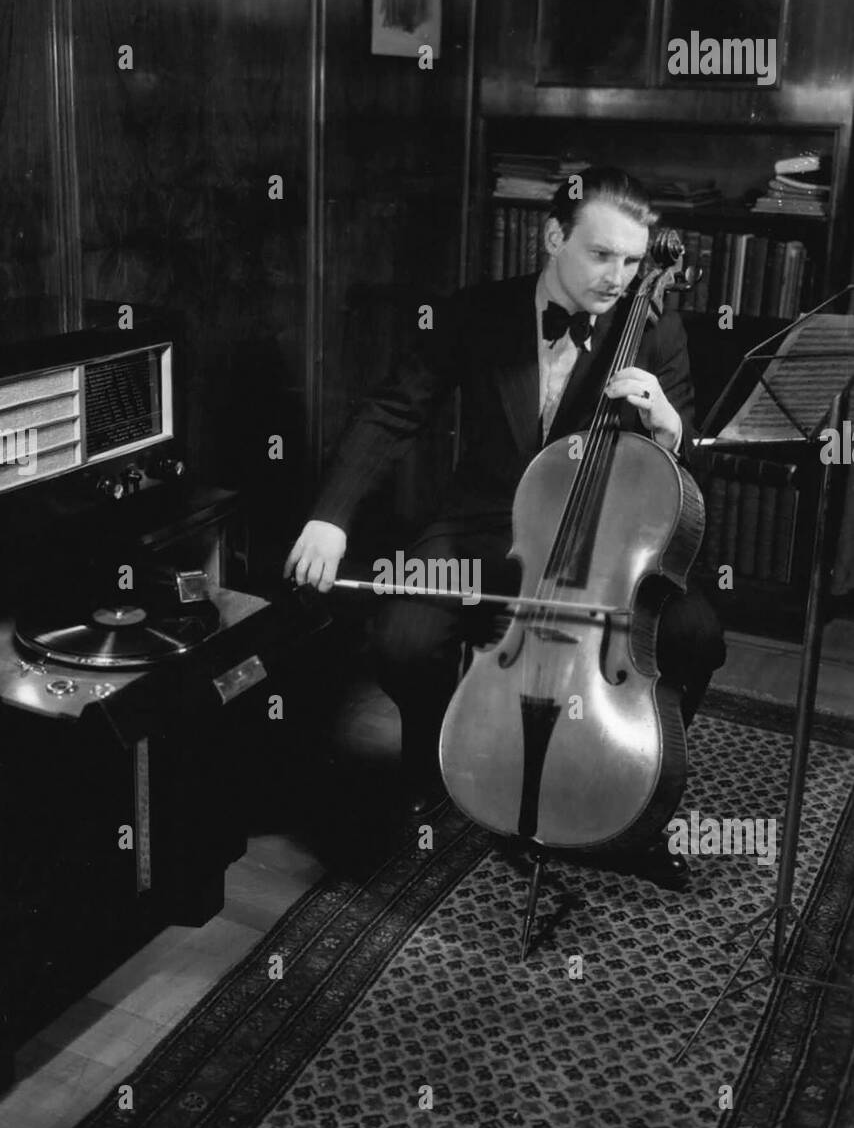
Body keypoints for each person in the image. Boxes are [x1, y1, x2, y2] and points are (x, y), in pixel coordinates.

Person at [286, 167, 726, 888]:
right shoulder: (477, 312)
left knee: (693, 637)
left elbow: (685, 462)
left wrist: (669, 427)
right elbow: (393, 410)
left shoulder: (657, 326)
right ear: (554, 237)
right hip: (491, 517)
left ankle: (632, 795)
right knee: (404, 638)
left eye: (632, 260)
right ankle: (444, 765)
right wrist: (330, 518)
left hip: (608, 535)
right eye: (601, 255)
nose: (619, 277)